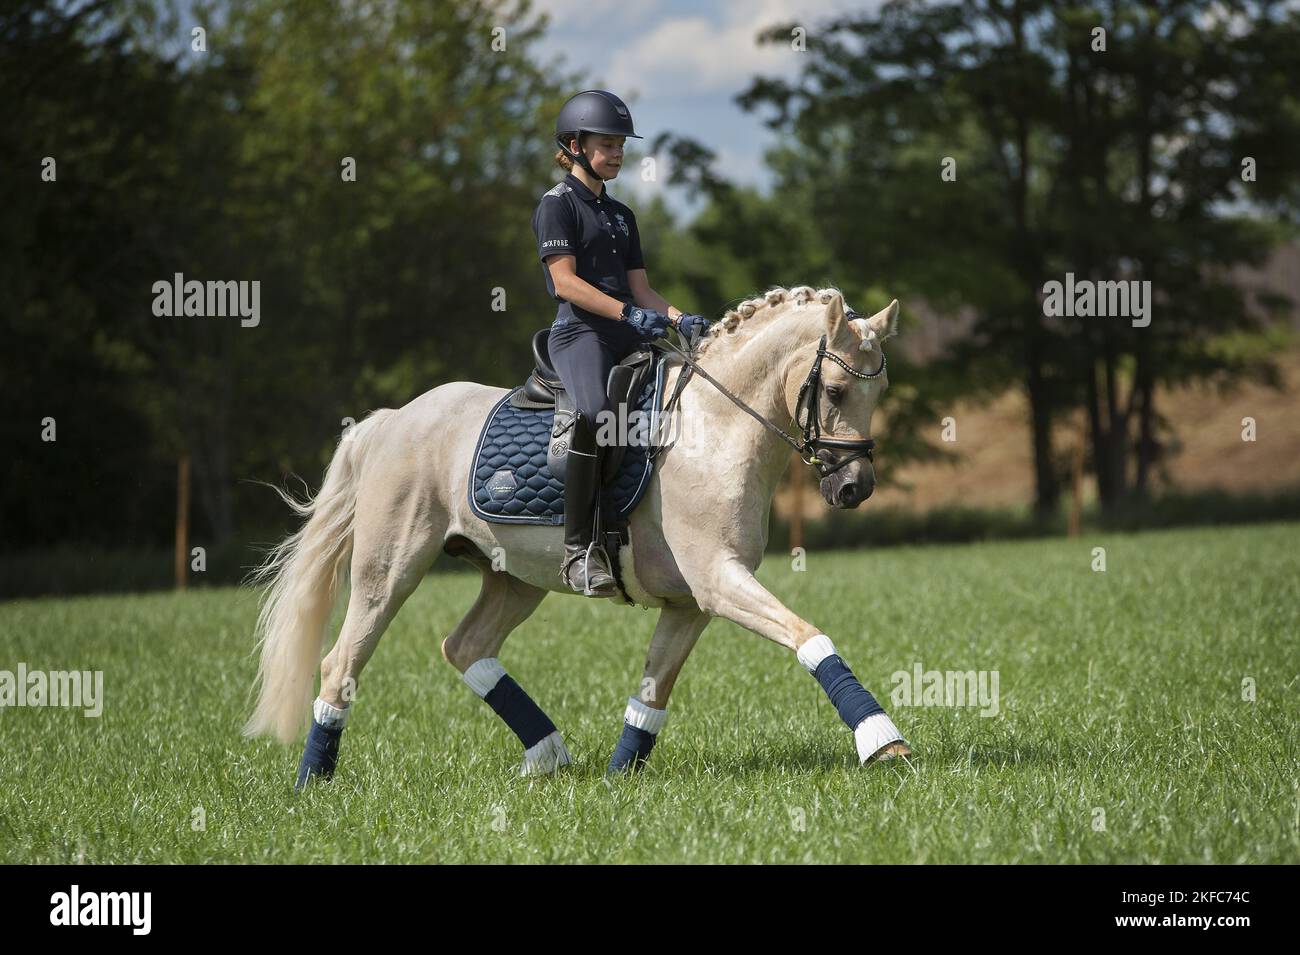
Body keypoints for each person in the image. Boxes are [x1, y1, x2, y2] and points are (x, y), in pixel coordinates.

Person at [532, 89, 708, 597]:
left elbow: (642, 289)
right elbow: (565, 282)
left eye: (620, 145)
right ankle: (577, 550)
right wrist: (628, 314)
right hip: (580, 333)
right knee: (593, 416)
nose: (617, 153)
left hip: (627, 330)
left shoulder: (622, 215)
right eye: (606, 144)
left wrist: (681, 318)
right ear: (574, 145)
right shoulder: (556, 206)